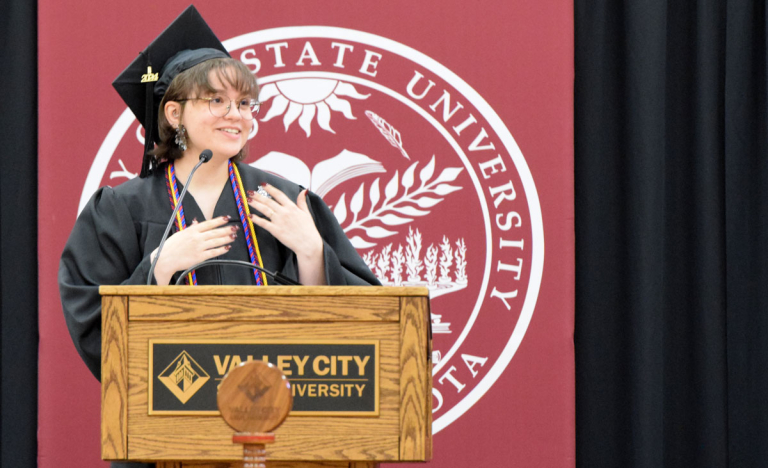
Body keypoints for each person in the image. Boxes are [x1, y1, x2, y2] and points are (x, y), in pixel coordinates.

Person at [58, 10, 379, 466]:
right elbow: (95, 329)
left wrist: (311, 254)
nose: (237, 116)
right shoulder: (120, 210)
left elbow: (368, 332)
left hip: (286, 441)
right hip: (165, 438)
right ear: (174, 113)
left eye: (245, 104)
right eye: (217, 101)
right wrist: (160, 268)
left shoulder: (284, 200)